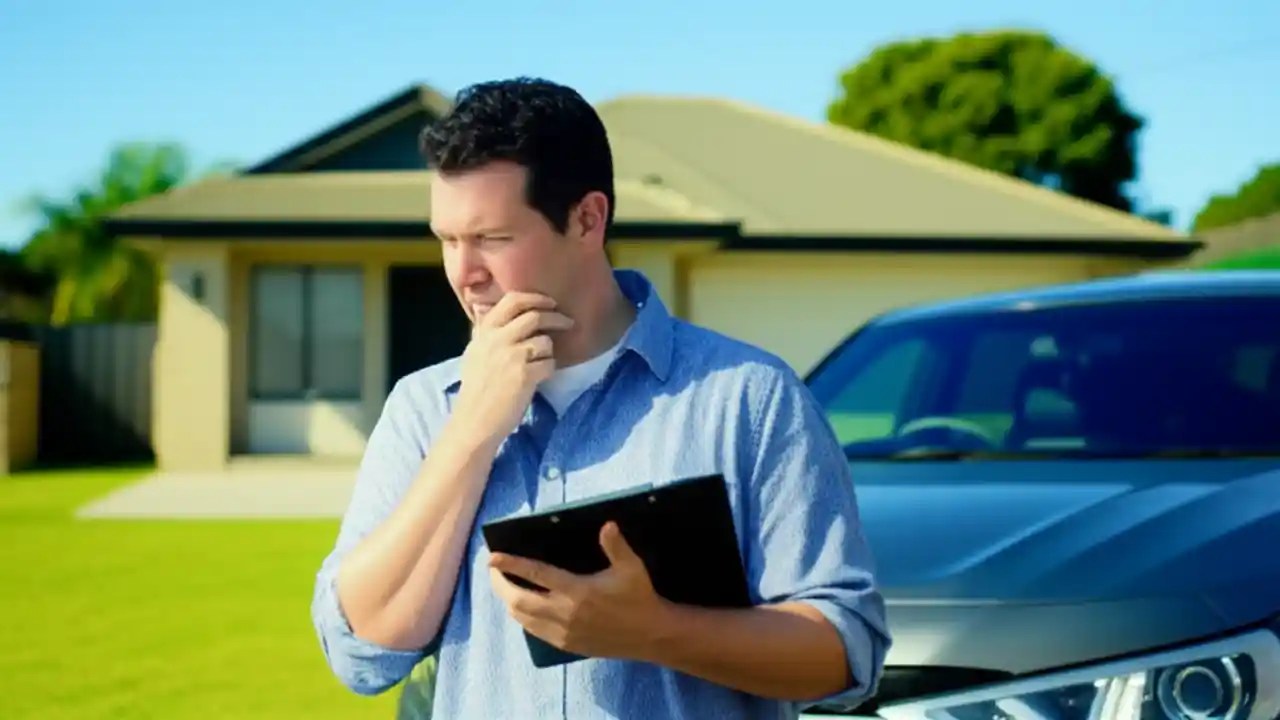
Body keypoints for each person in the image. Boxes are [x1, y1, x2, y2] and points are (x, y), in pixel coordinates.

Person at [311, 76, 891, 719]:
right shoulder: (424, 408)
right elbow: (361, 652)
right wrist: (471, 430)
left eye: (493, 239)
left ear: (588, 219)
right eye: (447, 239)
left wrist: (657, 631)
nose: (463, 272)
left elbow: (845, 653)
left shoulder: (748, 399)